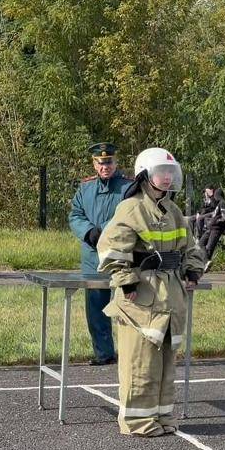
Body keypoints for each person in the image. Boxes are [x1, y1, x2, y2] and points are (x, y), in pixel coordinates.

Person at [96, 147, 205, 437]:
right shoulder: (131, 208)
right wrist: (127, 281)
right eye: (161, 172)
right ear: (145, 175)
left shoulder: (173, 211)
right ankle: (137, 422)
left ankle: (161, 416)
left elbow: (191, 247)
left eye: (170, 172)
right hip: (141, 297)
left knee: (165, 365)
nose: (167, 178)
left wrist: (193, 270)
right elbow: (110, 247)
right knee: (140, 363)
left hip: (169, 296)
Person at [68, 142, 133, 367]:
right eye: (101, 163)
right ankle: (104, 354)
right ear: (94, 164)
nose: (105, 167)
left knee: (129, 303)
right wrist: (88, 232)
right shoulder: (85, 188)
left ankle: (132, 352)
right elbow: (75, 215)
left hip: (121, 254)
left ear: (116, 162)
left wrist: (102, 230)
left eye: (109, 162)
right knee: (96, 308)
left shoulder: (128, 187)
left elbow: (128, 215)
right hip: (92, 255)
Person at [193, 186, 225, 263]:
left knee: (209, 247)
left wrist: (216, 221)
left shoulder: (222, 203)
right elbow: (212, 213)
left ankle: (206, 262)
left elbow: (224, 217)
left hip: (216, 229)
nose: (214, 197)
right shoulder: (219, 204)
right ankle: (205, 261)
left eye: (216, 195)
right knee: (200, 244)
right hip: (210, 228)